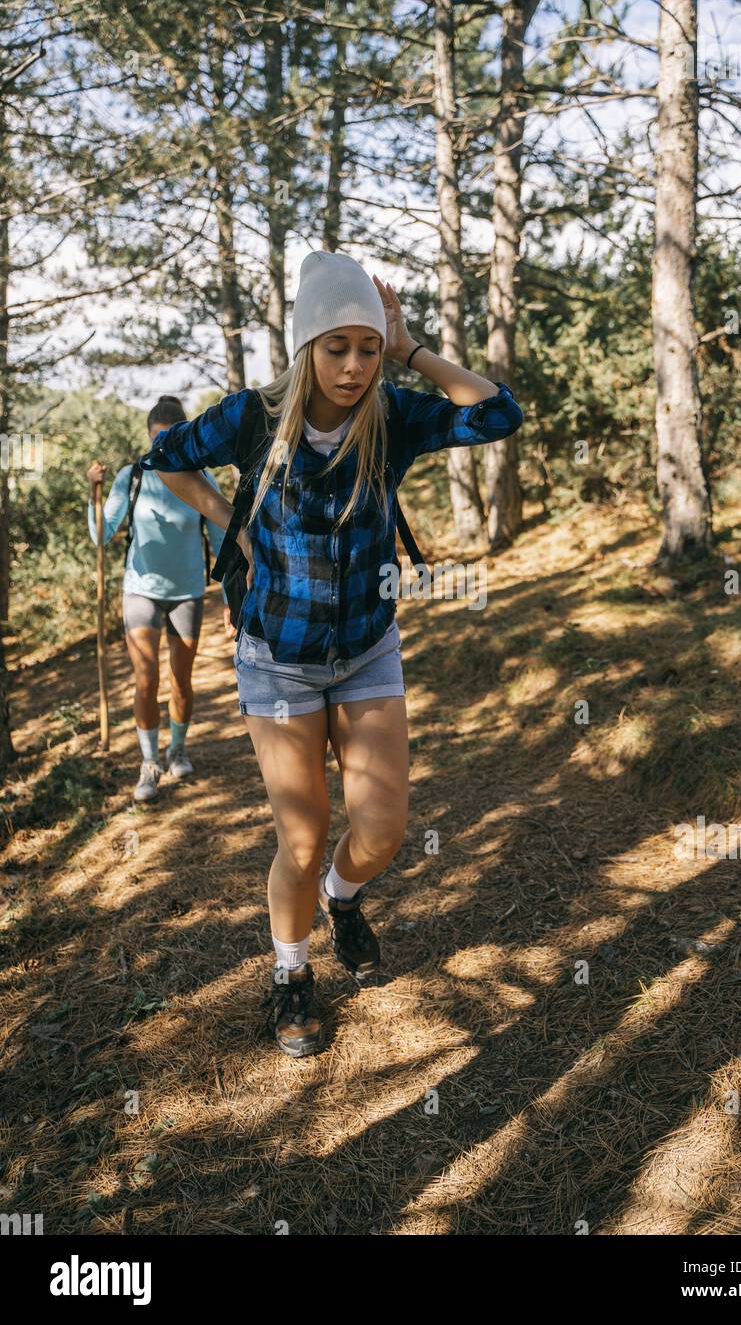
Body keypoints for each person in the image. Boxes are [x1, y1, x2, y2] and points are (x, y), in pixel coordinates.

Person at [136, 251, 523, 1057]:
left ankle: (344, 902)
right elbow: (166, 453)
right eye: (336, 346)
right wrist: (228, 521)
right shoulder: (252, 417)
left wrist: (413, 349)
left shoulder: (393, 415)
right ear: (307, 344)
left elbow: (496, 416)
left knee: (380, 831)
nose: (352, 367)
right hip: (276, 657)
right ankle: (290, 974)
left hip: (367, 650)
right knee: (303, 842)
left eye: (368, 348)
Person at [86, 396, 231, 804]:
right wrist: (93, 493)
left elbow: (223, 544)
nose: (162, 448)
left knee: (181, 682)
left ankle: (177, 749)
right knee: (145, 680)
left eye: (171, 440)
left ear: (184, 438)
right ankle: (149, 763)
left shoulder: (203, 480)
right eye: (156, 440)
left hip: (187, 592)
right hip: (141, 590)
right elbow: (101, 535)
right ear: (149, 438)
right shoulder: (132, 477)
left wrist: (233, 597)